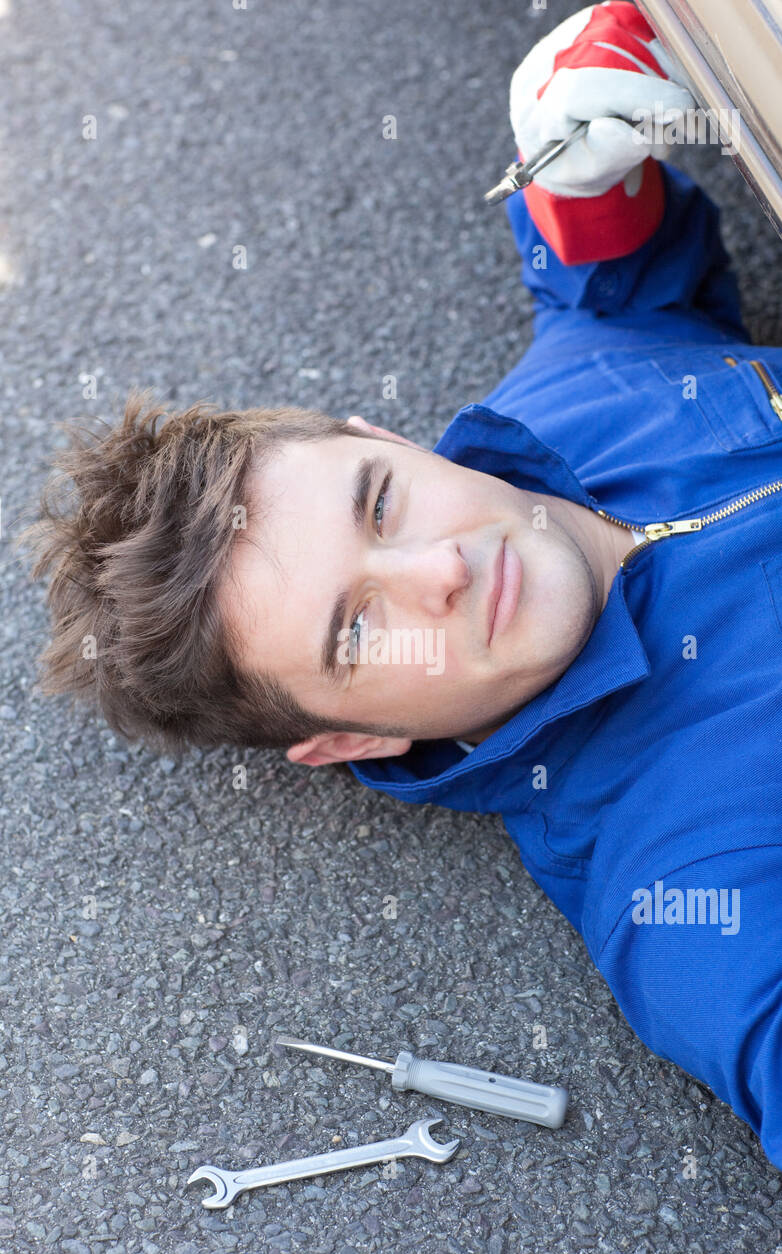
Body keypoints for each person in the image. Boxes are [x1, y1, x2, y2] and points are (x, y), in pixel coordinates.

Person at [24, 3, 782, 1168]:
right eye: (355, 630)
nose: (440, 566)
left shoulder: (557, 405)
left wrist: (576, 157)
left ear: (388, 437)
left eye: (379, 502)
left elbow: (607, 288)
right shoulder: (684, 892)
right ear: (349, 741)